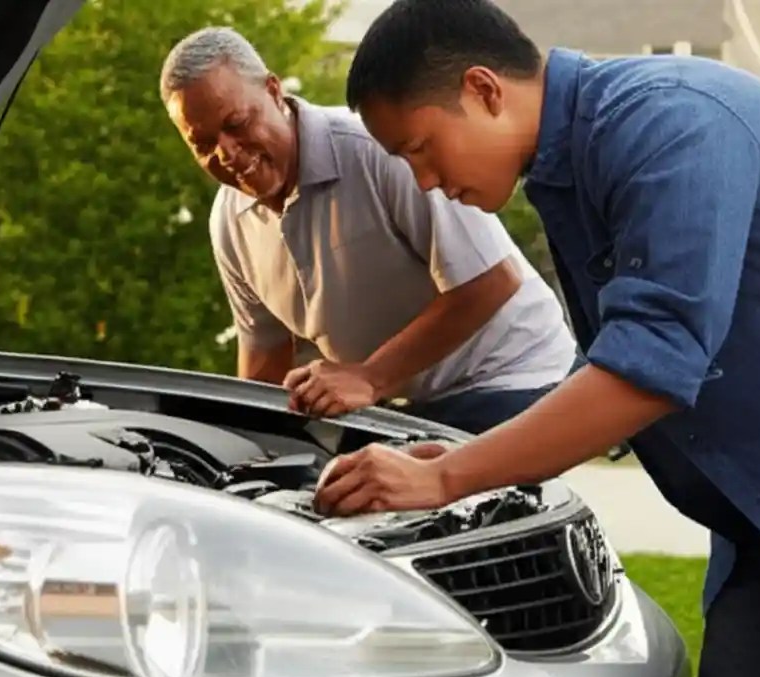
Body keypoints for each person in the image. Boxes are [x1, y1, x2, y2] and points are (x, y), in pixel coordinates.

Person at [316, 0, 760, 677]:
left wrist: (447, 478)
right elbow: (611, 361)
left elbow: (654, 361)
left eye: (419, 149)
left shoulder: (670, 117)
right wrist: (463, 452)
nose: (425, 182)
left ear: (483, 89)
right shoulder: (572, 165)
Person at [158, 26, 579, 435]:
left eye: (237, 124)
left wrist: (369, 377)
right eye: (203, 143)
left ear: (273, 91)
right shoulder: (228, 221)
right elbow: (266, 357)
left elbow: (491, 282)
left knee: (386, 492)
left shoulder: (379, 149)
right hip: (405, 403)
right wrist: (245, 446)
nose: (227, 153)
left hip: (514, 376)